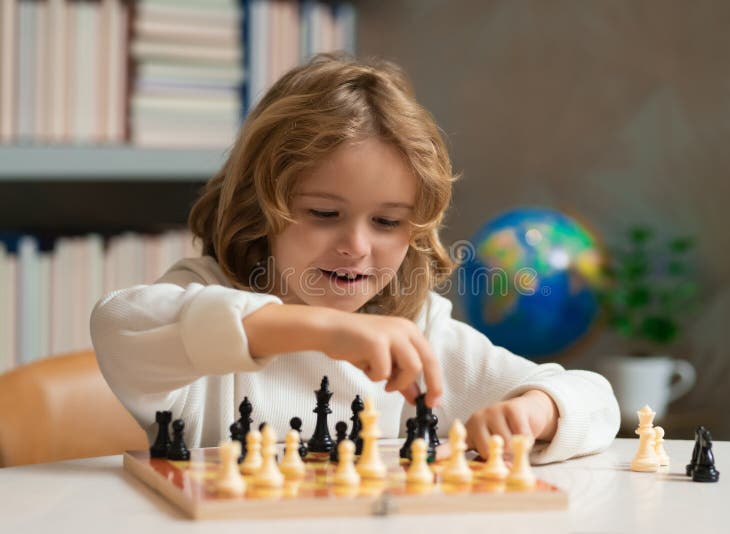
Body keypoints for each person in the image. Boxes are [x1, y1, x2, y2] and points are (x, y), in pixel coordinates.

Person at [90, 53, 619, 464]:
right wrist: (322, 329)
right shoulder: (207, 299)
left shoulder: (416, 330)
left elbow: (595, 399)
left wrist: (534, 412)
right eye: (323, 212)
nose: (357, 246)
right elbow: (118, 322)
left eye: (387, 222)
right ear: (261, 208)